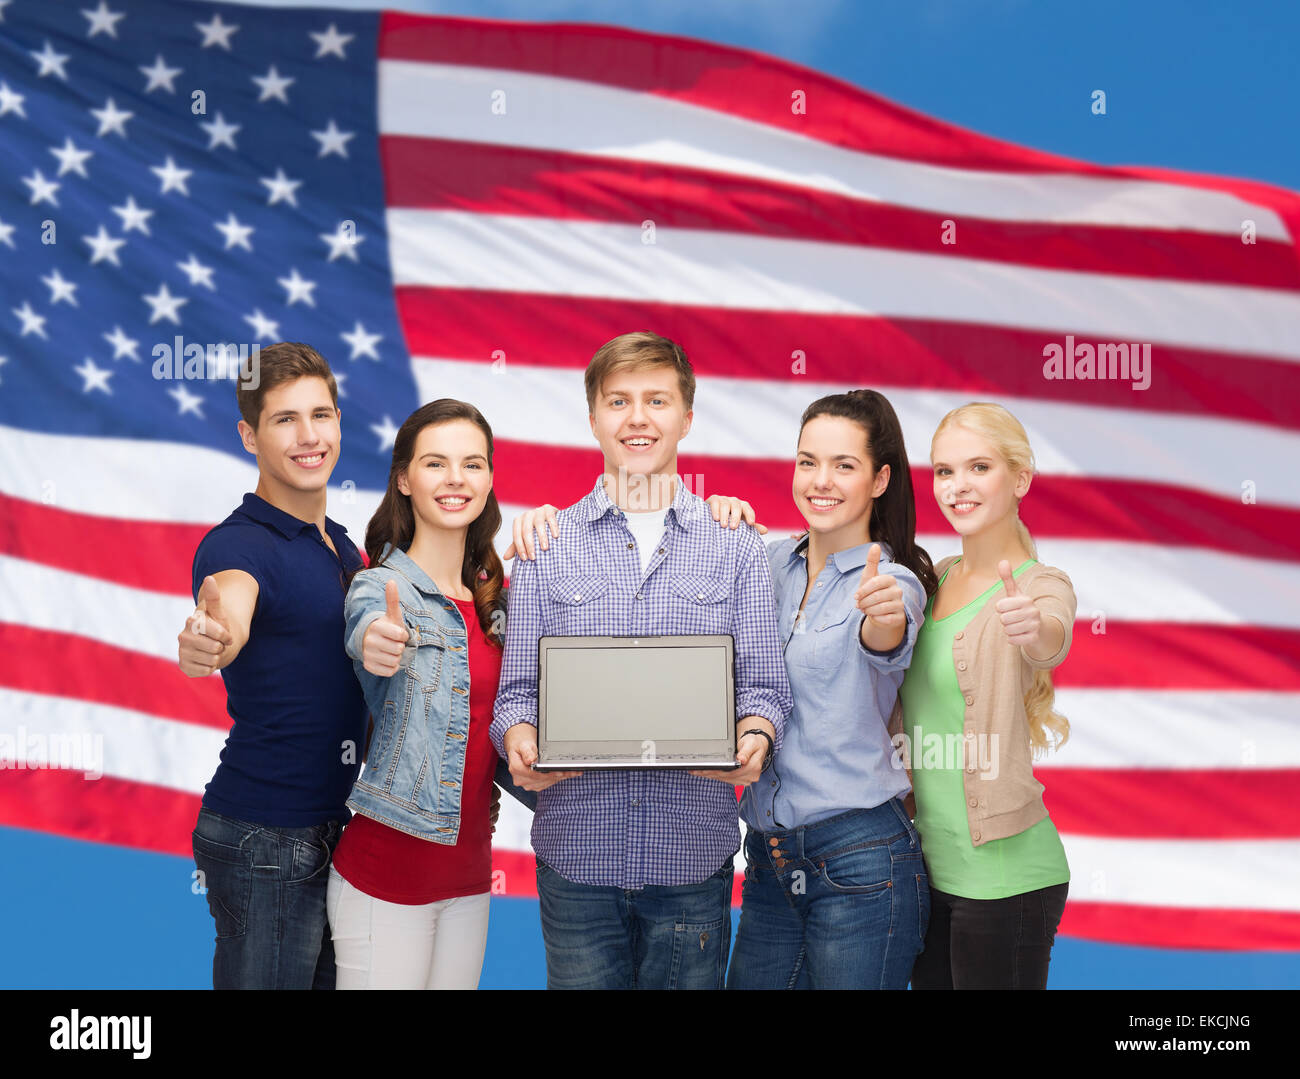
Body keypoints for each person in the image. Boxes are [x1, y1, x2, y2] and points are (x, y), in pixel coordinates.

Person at [491, 330, 792, 990]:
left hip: (692, 859)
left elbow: (765, 686)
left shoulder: (735, 545)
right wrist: (518, 739)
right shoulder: (545, 544)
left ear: (686, 415)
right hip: (576, 860)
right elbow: (516, 694)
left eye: (656, 399)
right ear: (593, 416)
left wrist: (754, 735)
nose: (637, 417)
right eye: (619, 400)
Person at [728, 390, 936, 989]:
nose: (821, 481)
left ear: (879, 480)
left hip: (862, 858)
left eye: (844, 465)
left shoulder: (893, 583)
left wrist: (884, 615)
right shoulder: (762, 565)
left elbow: (888, 636)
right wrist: (715, 511)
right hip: (769, 861)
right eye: (807, 461)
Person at [179, 342, 365, 989]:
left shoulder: (343, 546)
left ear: (340, 420)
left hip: (328, 830)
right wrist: (211, 638)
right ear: (249, 434)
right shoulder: (238, 544)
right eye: (285, 419)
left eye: (322, 414)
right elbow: (226, 615)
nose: (309, 435)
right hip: (266, 836)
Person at [328, 399, 513, 990]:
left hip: (468, 878)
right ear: (405, 479)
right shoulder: (381, 588)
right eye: (436, 464)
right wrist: (376, 643)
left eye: (473, 464)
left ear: (488, 480)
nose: (456, 479)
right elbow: (366, 632)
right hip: (387, 875)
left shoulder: (498, 597)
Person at [898, 402, 1076, 990]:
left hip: (1008, 878)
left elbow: (1050, 635)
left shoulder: (1038, 585)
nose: (958, 486)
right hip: (931, 870)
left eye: (979, 467)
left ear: (1019, 479)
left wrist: (1036, 629)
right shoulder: (936, 576)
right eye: (945, 471)